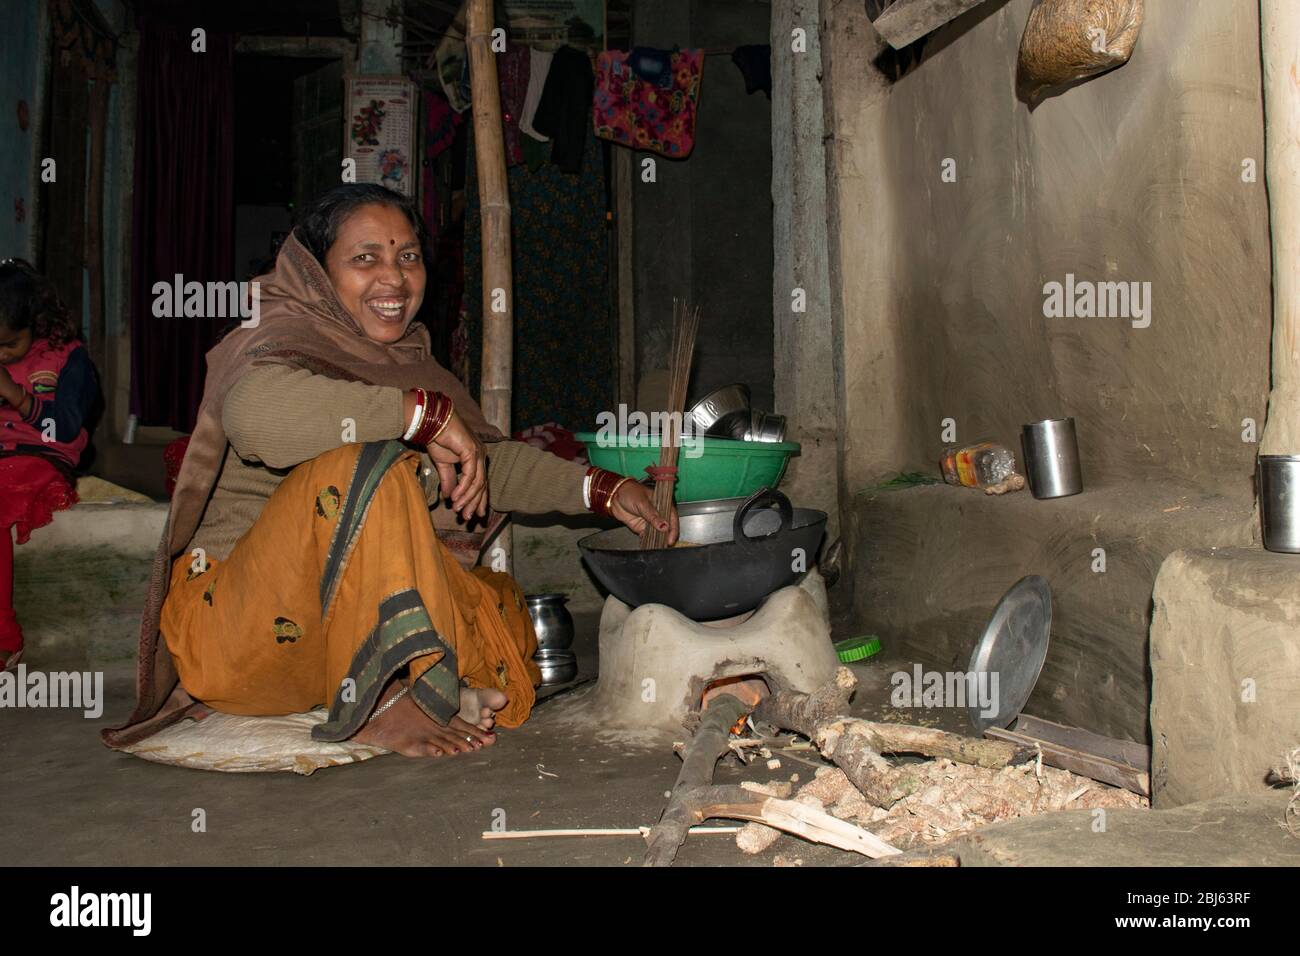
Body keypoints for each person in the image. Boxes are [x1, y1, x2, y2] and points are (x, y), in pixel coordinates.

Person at [104, 183, 676, 759]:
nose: (394, 279)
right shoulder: (272, 336)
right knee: (368, 463)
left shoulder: (409, 362)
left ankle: (422, 681)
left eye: (408, 256)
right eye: (364, 258)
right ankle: (385, 700)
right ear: (315, 274)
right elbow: (254, 418)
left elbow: (485, 462)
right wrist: (415, 415)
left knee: (496, 604)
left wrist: (603, 489)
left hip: (321, 655)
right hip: (240, 634)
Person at [0, 259, 97, 672]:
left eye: (9, 345)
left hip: (40, 456)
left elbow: (69, 424)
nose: (1, 355)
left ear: (36, 323)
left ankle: (5, 635)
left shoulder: (66, 358)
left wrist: (17, 396)